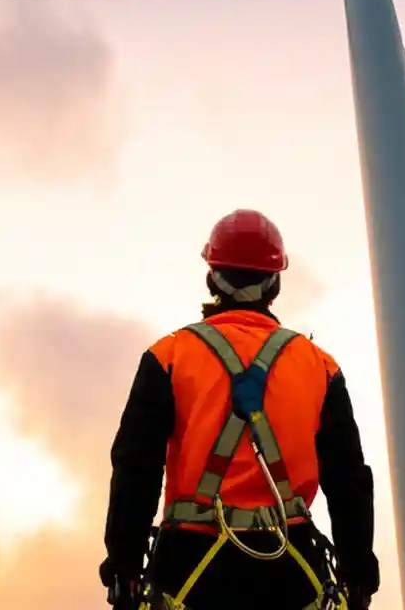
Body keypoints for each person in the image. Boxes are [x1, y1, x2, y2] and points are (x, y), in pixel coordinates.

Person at [99, 209, 379, 609]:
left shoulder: (169, 356)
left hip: (192, 566)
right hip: (290, 569)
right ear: (275, 283)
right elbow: (348, 479)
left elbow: (136, 468)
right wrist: (358, 572)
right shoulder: (319, 366)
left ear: (212, 276)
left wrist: (124, 567)